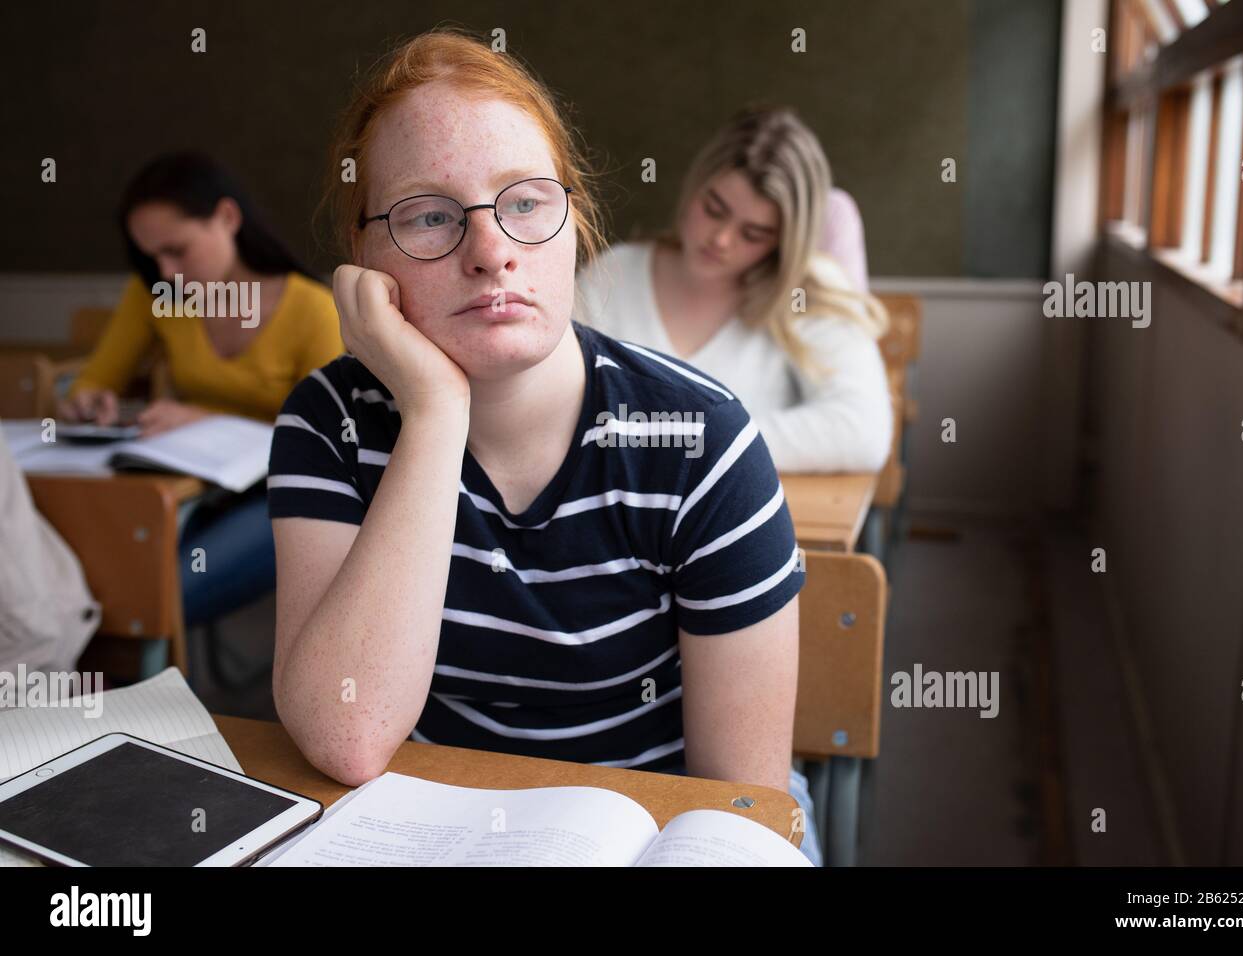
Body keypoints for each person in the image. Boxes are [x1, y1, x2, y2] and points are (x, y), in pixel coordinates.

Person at [267, 28, 822, 864]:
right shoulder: (329, 424)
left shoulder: (702, 441)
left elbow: (733, 810)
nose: (492, 253)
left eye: (525, 202)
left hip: (666, 828)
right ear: (367, 260)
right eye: (428, 216)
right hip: (450, 826)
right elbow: (348, 738)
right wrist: (434, 413)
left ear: (573, 222)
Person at [57, 153, 344, 631]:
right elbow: (96, 378)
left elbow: (328, 443)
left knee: (156, 593)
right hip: (193, 485)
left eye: (177, 250)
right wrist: (88, 399)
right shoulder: (156, 293)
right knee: (97, 572)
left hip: (286, 492)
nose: (166, 272)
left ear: (227, 218)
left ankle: (121, 690)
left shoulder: (312, 311)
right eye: (151, 257)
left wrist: (209, 420)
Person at [577, 107, 893, 474]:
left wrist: (690, 440)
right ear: (694, 187)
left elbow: (862, 432)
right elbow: (548, 398)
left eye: (753, 233)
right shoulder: (615, 271)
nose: (721, 240)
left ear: (784, 242)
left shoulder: (806, 291)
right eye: (714, 209)